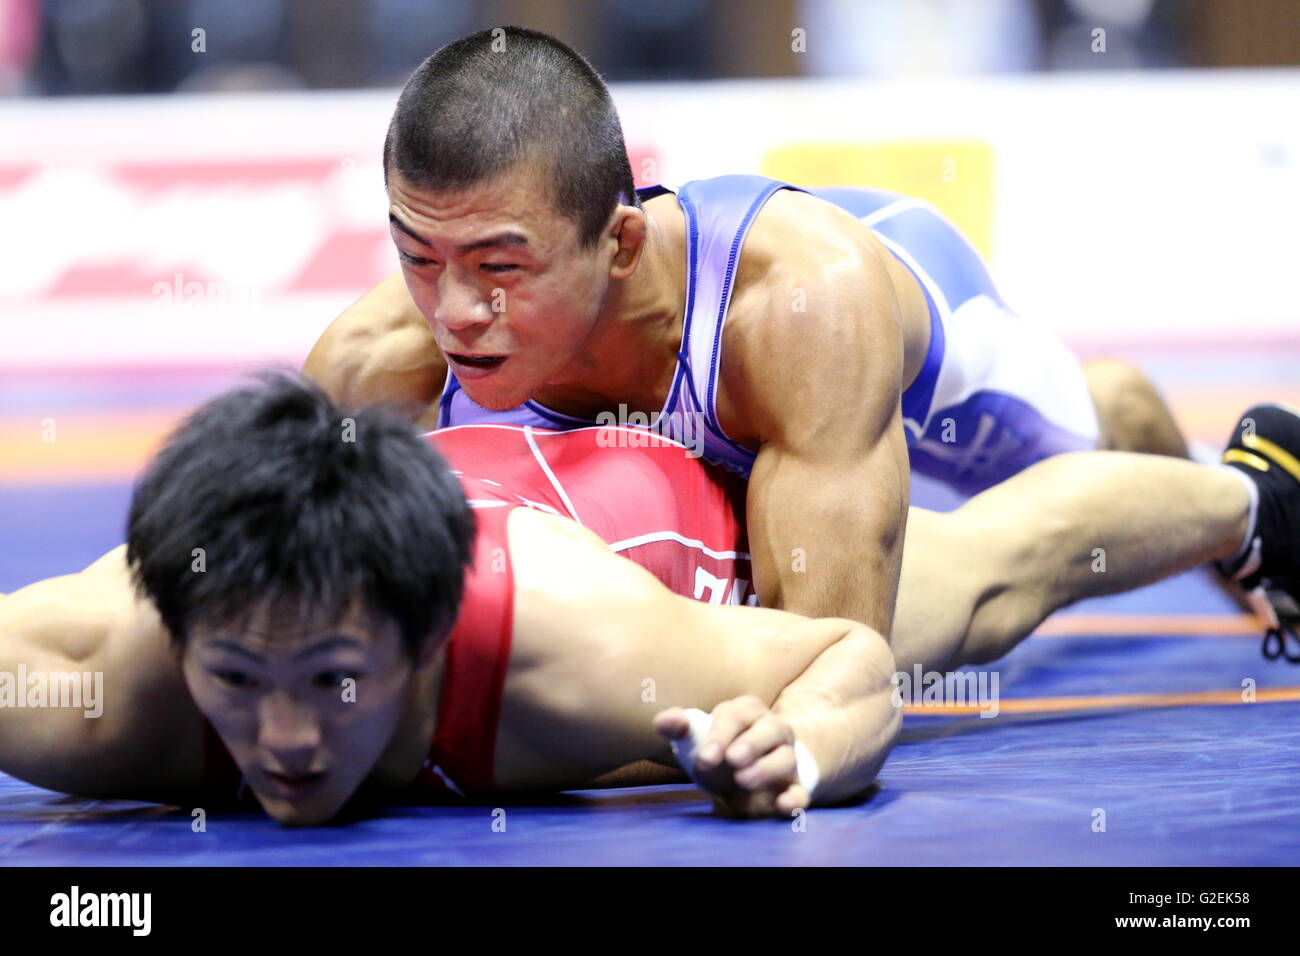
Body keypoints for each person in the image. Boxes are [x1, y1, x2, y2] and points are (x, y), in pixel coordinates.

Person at [2, 378, 1294, 826]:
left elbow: (840, 658)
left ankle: (1259, 495)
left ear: (425, 637)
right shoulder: (111, 667)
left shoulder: (577, 651)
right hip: (425, 494)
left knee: (988, 580)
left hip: (656, 529)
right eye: (238, 683)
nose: (281, 740)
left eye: (335, 685)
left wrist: (799, 751)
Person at [305, 26, 1189, 644]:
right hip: (741, 329)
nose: (454, 312)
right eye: (417, 255)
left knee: (1080, 446)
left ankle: (1240, 502)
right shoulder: (371, 366)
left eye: (500, 268)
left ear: (619, 244)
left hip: (876, 296)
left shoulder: (802, 309)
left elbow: (831, 662)